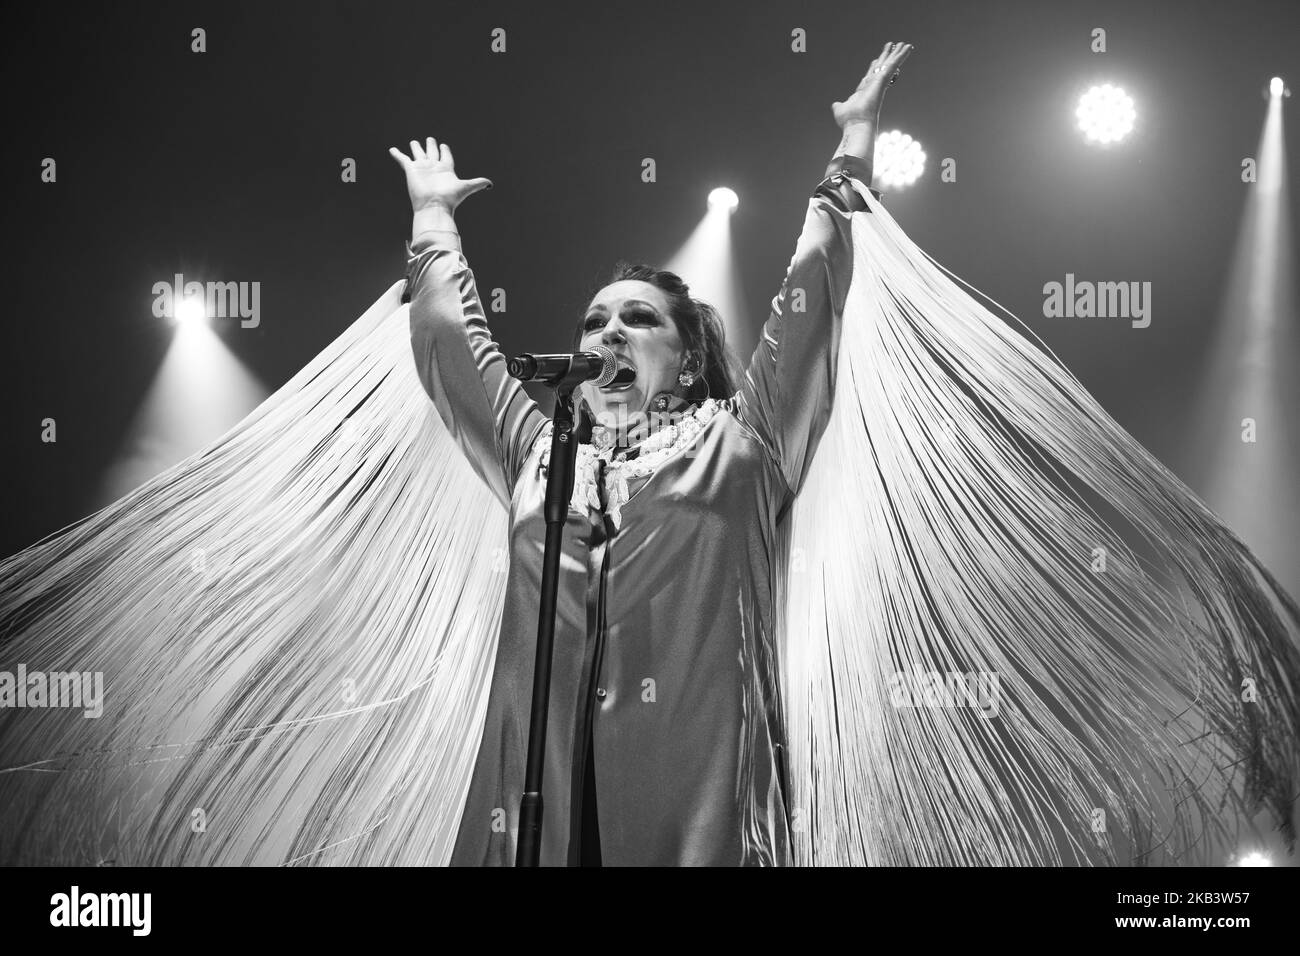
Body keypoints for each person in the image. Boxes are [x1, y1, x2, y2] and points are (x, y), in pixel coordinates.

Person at [3, 41, 1297, 868]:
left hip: (699, 813)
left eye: (639, 320)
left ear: (689, 352)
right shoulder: (533, 455)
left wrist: (845, 154)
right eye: (592, 322)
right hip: (530, 812)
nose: (608, 332)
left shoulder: (741, 447)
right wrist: (432, 227)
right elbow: (453, 354)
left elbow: (808, 299)